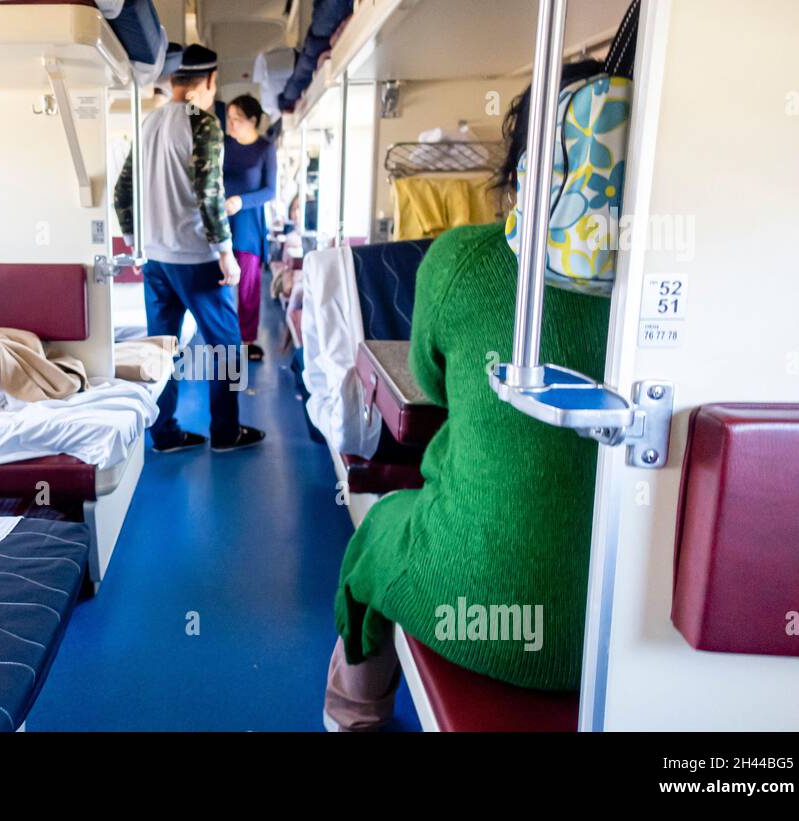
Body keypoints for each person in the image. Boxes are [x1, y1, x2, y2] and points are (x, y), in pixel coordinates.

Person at [323, 60, 611, 731]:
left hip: (478, 602)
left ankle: (355, 706)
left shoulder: (467, 260)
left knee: (373, 539)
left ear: (522, 167)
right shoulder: (683, 283)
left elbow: (428, 381)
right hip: (623, 622)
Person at [113, 44, 266, 454]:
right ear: (210, 81)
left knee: (160, 348)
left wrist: (134, 241)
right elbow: (209, 193)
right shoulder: (204, 124)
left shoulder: (149, 122)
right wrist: (226, 251)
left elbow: (121, 190)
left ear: (174, 80)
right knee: (227, 347)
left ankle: (165, 434)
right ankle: (226, 431)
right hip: (197, 260)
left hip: (156, 260)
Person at [223, 94, 277, 361]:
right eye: (229, 119)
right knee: (218, 284)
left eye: (237, 119)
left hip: (248, 225)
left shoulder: (265, 149)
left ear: (252, 120)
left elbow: (270, 191)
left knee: (248, 287)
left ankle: (247, 340)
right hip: (221, 221)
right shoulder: (223, 145)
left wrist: (241, 201)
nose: (231, 125)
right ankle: (221, 339)